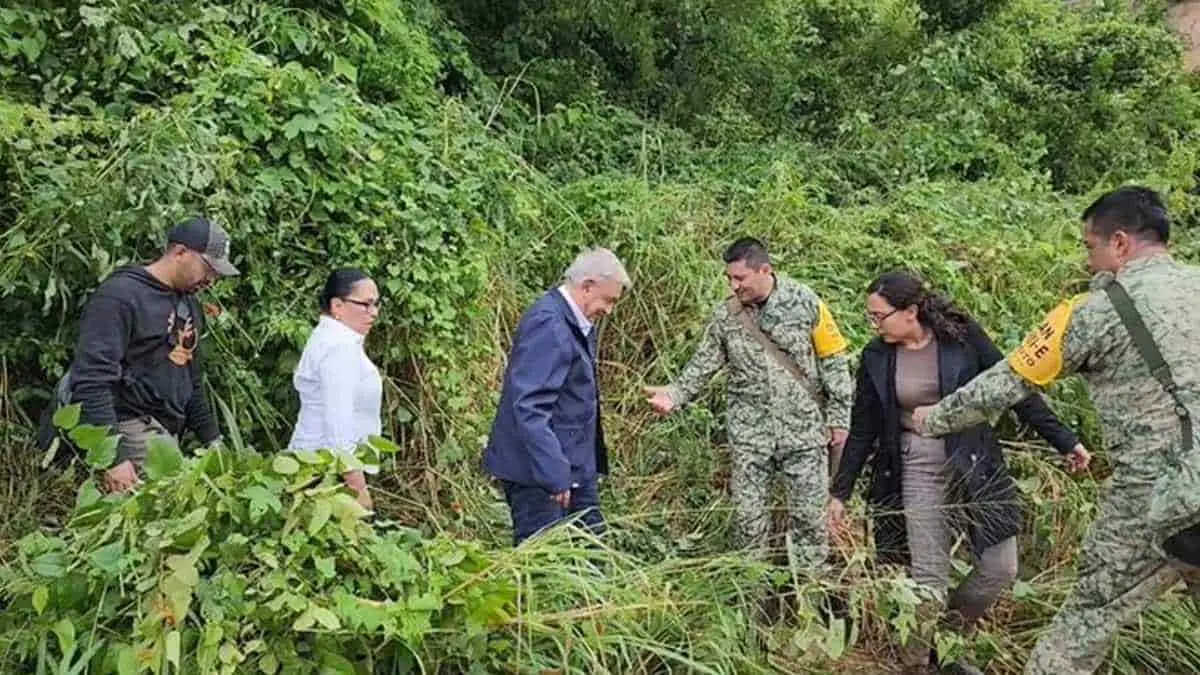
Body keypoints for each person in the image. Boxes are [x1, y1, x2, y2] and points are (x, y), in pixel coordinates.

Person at [911, 186, 1200, 675]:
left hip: (1155, 494)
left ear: (1122, 243)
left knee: (1085, 623)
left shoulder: (1092, 311)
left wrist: (934, 417)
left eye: (1091, 248)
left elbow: (1006, 383)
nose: (1089, 263)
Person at [826, 270, 1089, 674]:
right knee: (928, 581)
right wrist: (840, 493)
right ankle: (916, 664)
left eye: (879, 316)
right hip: (914, 465)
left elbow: (1012, 384)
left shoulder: (961, 337)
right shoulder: (876, 357)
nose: (873, 325)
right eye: (870, 318)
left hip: (974, 461)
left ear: (910, 311)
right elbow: (862, 430)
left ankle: (947, 640)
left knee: (1000, 568)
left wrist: (1065, 440)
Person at [643, 237, 853, 567]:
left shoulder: (806, 302)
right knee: (748, 523)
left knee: (810, 524)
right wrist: (676, 395)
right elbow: (705, 362)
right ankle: (750, 601)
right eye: (729, 278)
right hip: (750, 437)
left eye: (740, 278)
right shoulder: (727, 315)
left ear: (764, 270)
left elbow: (834, 360)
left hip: (804, 435)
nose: (733, 284)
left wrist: (839, 418)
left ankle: (808, 600)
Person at [61, 216, 238, 493]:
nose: (211, 280)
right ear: (180, 253)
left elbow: (191, 382)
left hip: (164, 428)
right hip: (126, 420)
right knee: (180, 496)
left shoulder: (188, 306)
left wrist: (214, 441)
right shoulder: (120, 297)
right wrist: (114, 457)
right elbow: (91, 381)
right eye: (208, 269)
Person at [483, 248, 631, 545]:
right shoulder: (549, 324)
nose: (610, 310)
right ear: (587, 286)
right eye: (609, 300)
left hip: (570, 470)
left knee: (592, 556)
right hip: (540, 475)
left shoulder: (573, 321)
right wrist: (554, 473)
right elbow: (529, 406)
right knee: (544, 567)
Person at [288, 268, 383, 511]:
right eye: (365, 304)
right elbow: (338, 424)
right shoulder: (338, 347)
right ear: (337, 306)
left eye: (376, 304)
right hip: (326, 471)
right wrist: (358, 488)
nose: (373, 313)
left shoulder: (331, 338)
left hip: (320, 465)